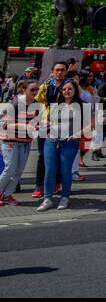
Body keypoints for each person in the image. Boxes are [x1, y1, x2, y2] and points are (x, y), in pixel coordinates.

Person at [38, 80, 93, 211]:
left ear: (75, 91)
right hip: (51, 140)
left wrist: (77, 134)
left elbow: (91, 124)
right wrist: (47, 125)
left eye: (69, 89)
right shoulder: (56, 105)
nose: (66, 91)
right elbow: (48, 120)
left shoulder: (82, 106)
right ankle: (48, 199)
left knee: (65, 170)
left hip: (69, 142)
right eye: (64, 89)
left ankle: (65, 197)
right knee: (50, 169)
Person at [31, 60, 68, 199]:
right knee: (42, 156)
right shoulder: (46, 85)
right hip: (45, 123)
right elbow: (37, 102)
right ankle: (39, 185)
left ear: (66, 72)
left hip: (62, 125)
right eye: (57, 70)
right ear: (52, 71)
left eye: (62, 70)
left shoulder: (69, 86)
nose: (59, 72)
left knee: (58, 155)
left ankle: (56, 183)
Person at [0, 80, 41, 205]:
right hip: (10, 141)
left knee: (19, 170)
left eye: (36, 90)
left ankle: (7, 195)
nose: (35, 92)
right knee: (10, 169)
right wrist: (25, 126)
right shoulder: (15, 103)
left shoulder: (36, 105)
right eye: (32, 90)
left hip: (25, 142)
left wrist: (40, 125)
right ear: (24, 89)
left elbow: (36, 122)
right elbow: (5, 124)